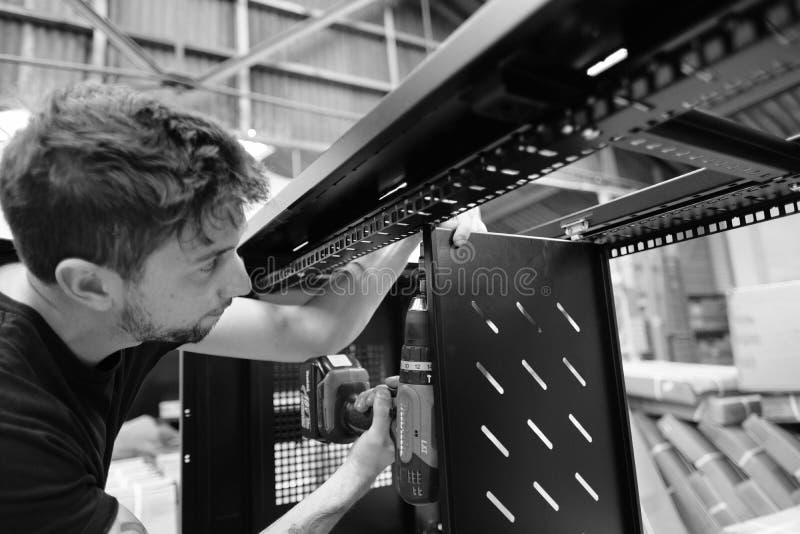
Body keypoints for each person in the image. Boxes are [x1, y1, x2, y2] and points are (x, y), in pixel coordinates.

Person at [0, 83, 485, 534]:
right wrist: (355, 475)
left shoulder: (99, 298)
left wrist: (420, 214)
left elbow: (307, 329)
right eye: (208, 263)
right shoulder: (15, 439)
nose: (239, 280)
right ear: (89, 283)